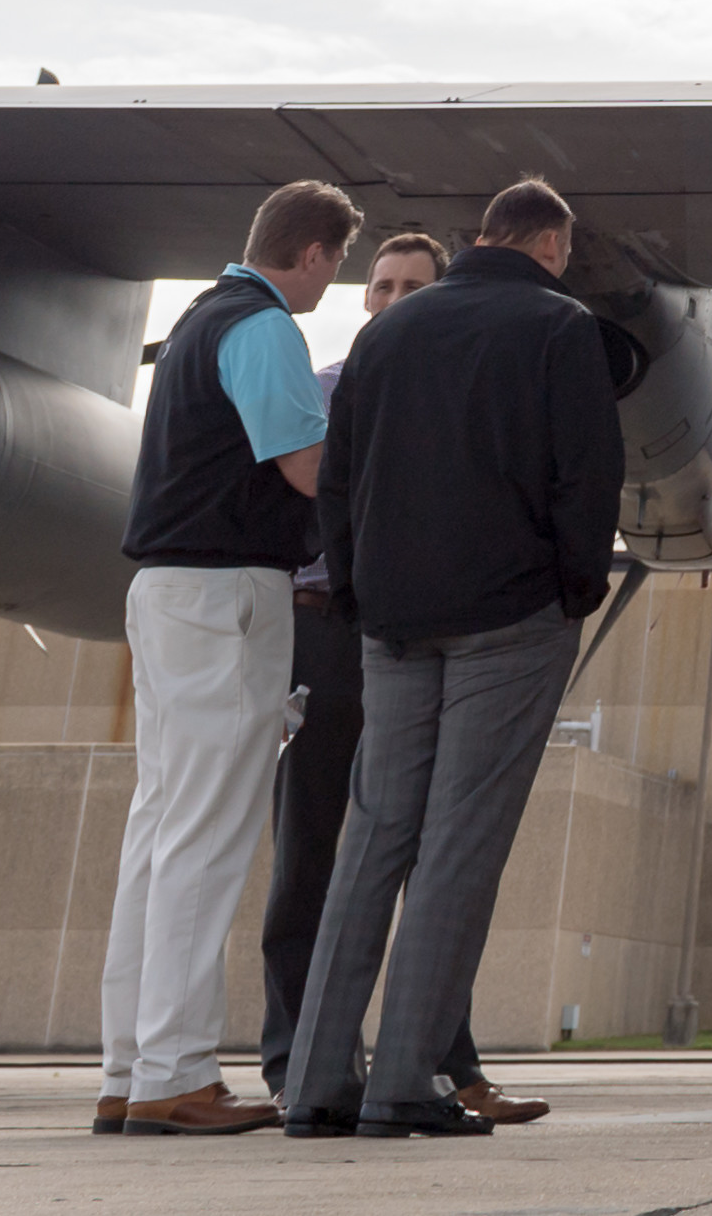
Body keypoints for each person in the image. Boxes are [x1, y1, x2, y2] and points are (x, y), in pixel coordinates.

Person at [278, 178, 621, 1140]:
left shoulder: (386, 335)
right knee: (459, 846)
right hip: (508, 621)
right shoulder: (561, 330)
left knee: (373, 837)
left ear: (480, 238)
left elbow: (337, 480)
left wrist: (354, 589)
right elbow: (587, 479)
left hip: (388, 623)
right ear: (552, 242)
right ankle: (402, 1082)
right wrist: (573, 589)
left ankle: (313, 1082)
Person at [92, 176, 355, 1138]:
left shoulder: (200, 320)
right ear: (317, 254)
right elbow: (308, 465)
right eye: (336, 266)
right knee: (209, 832)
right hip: (229, 589)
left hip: (164, 590)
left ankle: (129, 1067)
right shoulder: (263, 326)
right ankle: (177, 1073)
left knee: (159, 832)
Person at [259, 230, 533, 1127]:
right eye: (381, 284)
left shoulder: (460, 395)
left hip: (416, 634)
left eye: (414, 283)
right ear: (364, 296)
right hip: (328, 630)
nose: (394, 296)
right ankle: (296, 1057)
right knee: (312, 848)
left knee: (438, 850)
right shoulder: (329, 388)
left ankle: (445, 1059)